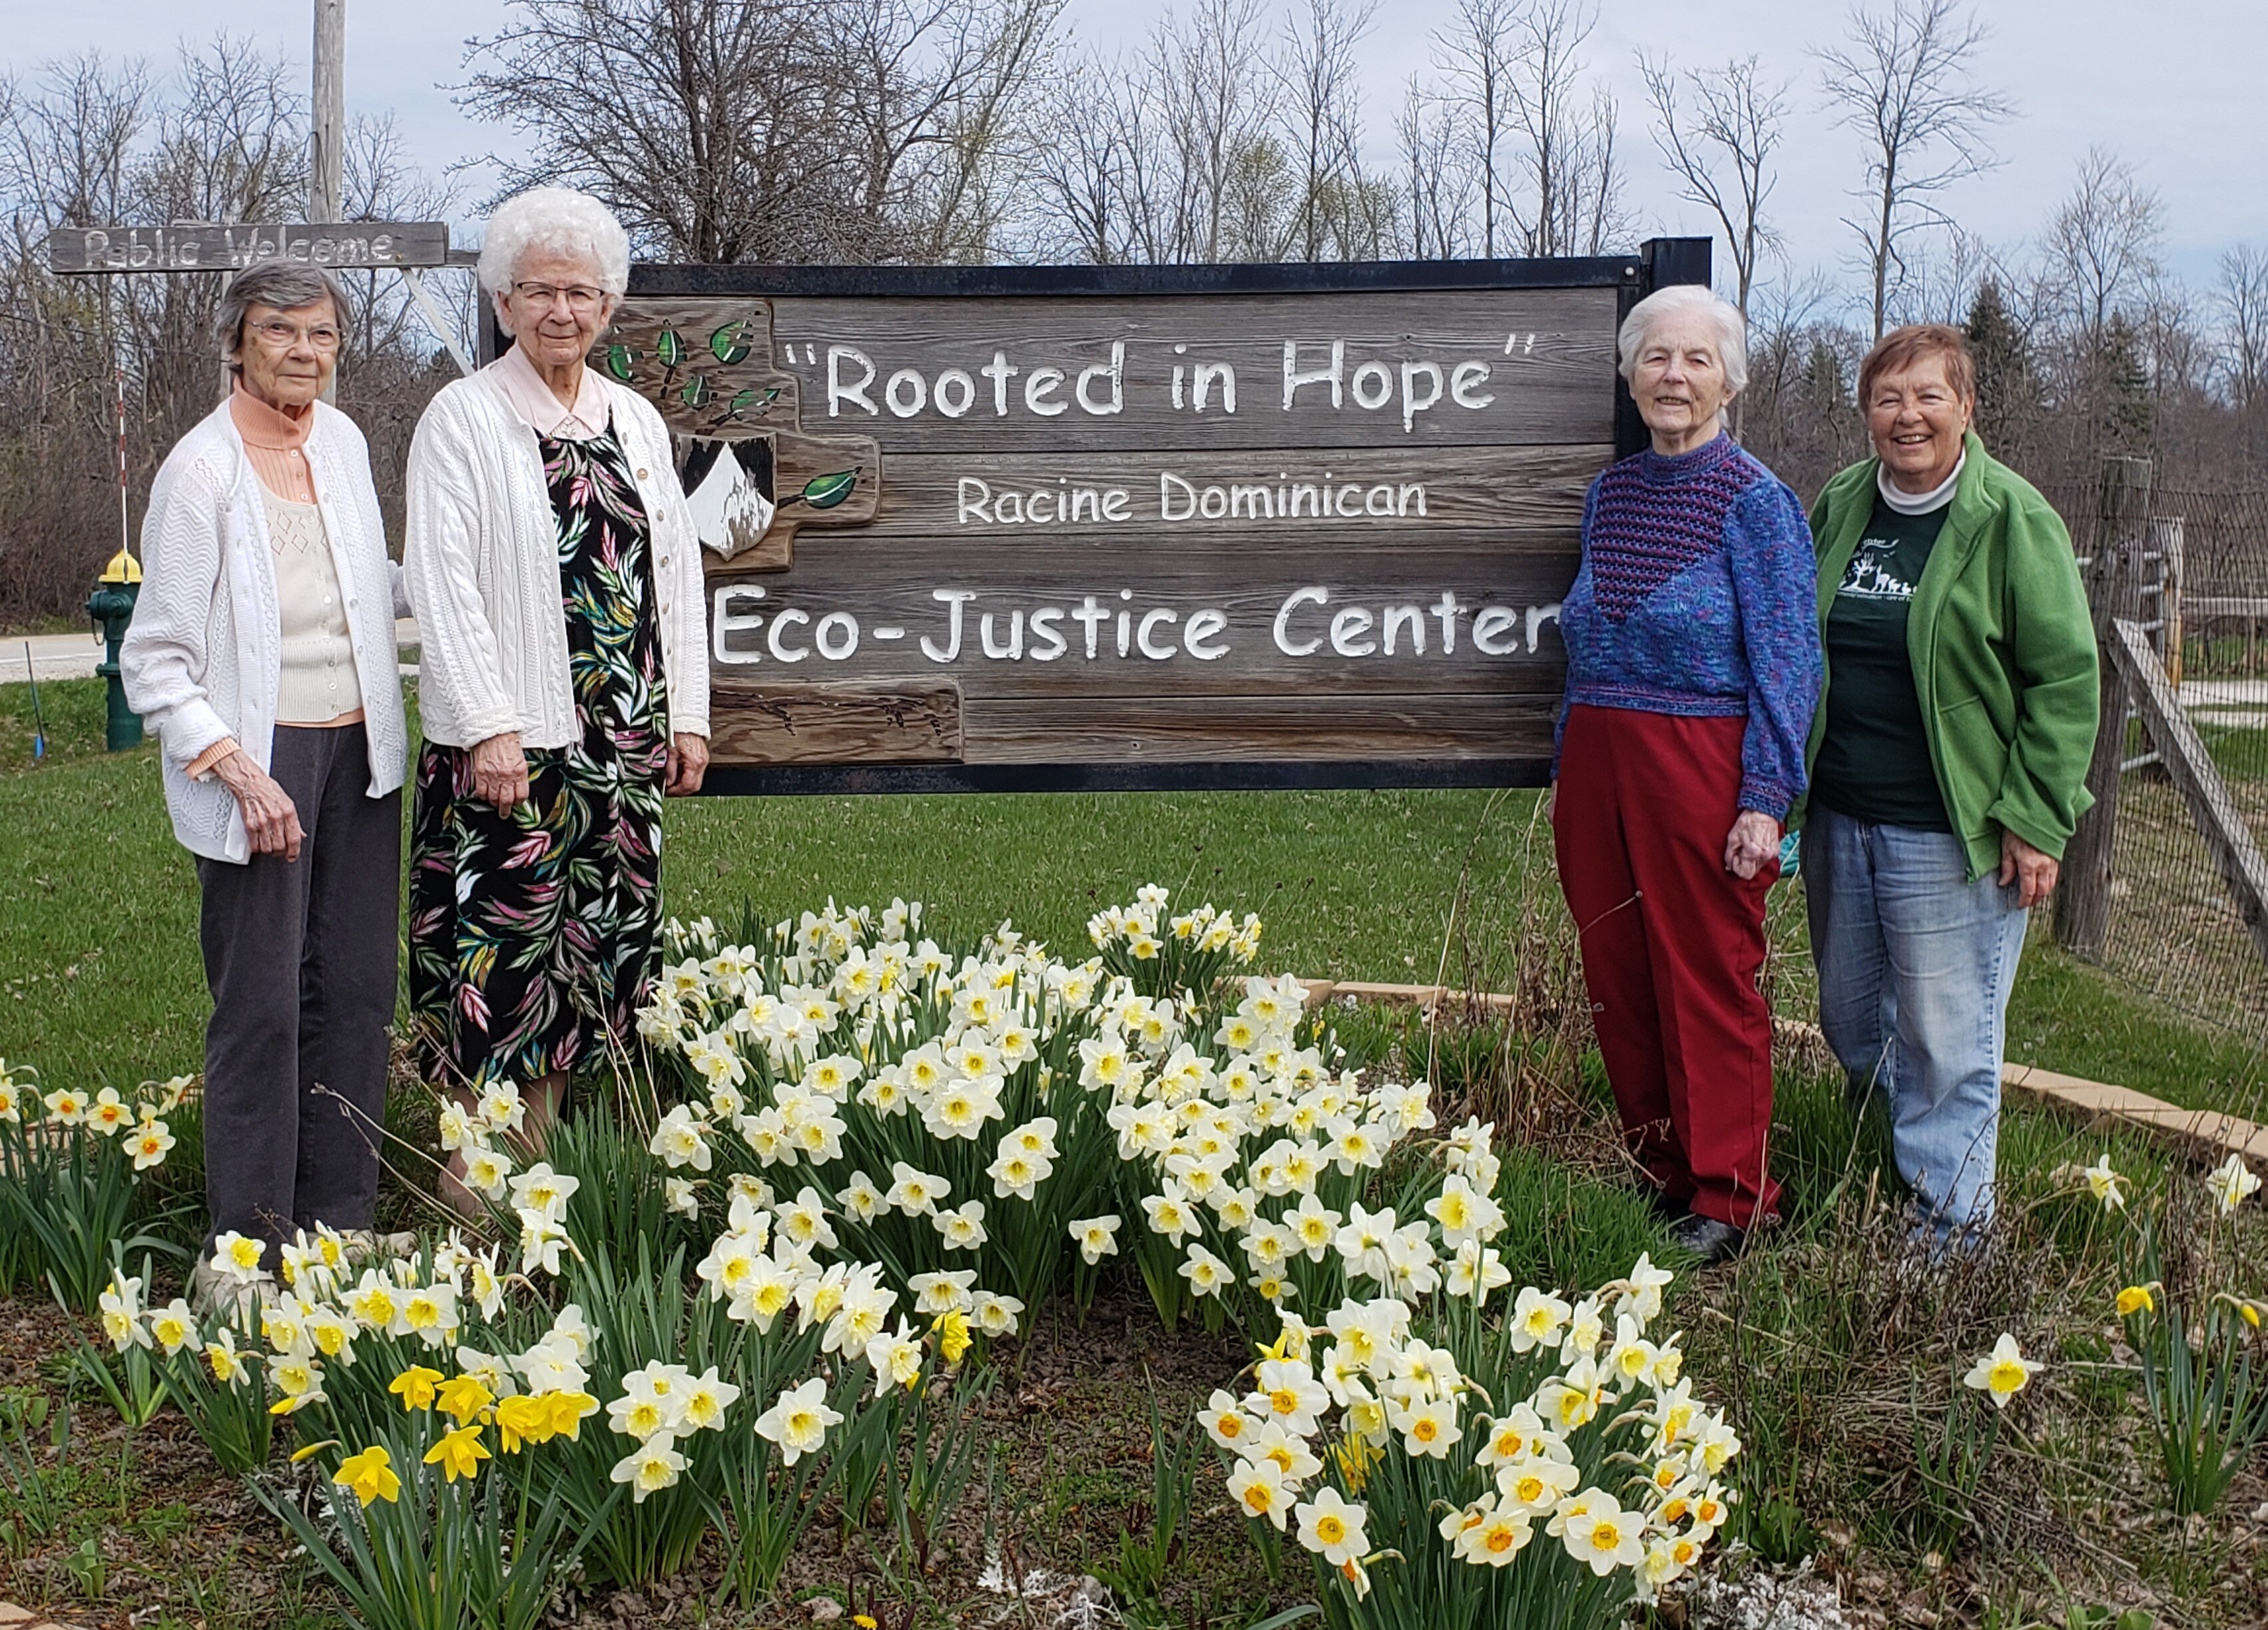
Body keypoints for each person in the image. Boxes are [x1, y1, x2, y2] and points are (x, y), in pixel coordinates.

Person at [403, 186, 710, 1182]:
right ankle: (475, 1186)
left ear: (609, 306)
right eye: (537, 292)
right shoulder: (463, 417)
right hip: (515, 749)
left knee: (600, 958)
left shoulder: (636, 421)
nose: (560, 313)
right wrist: (489, 726)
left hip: (621, 744)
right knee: (504, 960)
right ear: (501, 301)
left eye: (581, 293)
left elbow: (676, 569)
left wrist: (688, 715)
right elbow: (441, 584)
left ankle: (541, 1173)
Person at [121, 264, 410, 1300]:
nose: (303, 350)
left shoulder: (343, 443)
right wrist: (239, 769)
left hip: (361, 754)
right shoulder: (200, 473)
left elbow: (367, 587)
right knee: (264, 1005)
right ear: (237, 343)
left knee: (357, 992)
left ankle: (340, 1225)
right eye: (280, 330)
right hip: (262, 760)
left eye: (321, 332)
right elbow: (153, 658)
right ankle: (243, 1248)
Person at [1801, 324, 2098, 1249]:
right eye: (1887, 399)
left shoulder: (2011, 518)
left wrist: (2035, 819)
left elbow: (2064, 679)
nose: (1908, 417)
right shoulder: (1844, 502)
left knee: (1943, 1039)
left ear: (1967, 407)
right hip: (1842, 813)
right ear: (1865, 415)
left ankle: (1950, 1242)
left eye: (1929, 396)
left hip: (1949, 828)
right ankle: (1889, 1177)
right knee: (1851, 1024)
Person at [1552, 284, 1823, 1264]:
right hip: (1596, 761)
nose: (1673, 376)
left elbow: (1789, 661)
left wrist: (1763, 798)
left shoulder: (1754, 501)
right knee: (1619, 977)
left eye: (1695, 360)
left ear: (1730, 381)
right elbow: (1584, 641)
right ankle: (1658, 1174)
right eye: (1656, 358)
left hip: (1700, 761)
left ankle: (1732, 1196)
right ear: (1630, 377)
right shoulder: (1609, 495)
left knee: (1708, 976)